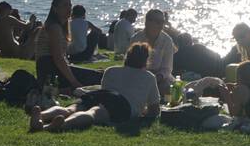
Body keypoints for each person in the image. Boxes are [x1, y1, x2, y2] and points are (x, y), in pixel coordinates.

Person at [29, 42, 162, 132]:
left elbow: (105, 91)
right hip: (121, 105)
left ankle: (40, 115)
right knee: (93, 112)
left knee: (71, 108)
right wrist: (142, 110)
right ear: (145, 60)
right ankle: (58, 125)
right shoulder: (149, 77)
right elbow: (154, 110)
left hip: (100, 94)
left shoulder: (111, 70)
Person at [34, 0, 101, 92]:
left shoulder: (60, 27)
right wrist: (74, 82)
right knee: (99, 77)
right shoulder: (54, 28)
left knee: (98, 75)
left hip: (53, 69)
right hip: (50, 70)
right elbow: (58, 58)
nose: (69, 8)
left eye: (70, 5)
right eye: (65, 5)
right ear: (55, 9)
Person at [130, 8, 176, 93]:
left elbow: (167, 68)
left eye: (163, 22)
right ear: (147, 22)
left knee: (169, 88)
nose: (162, 25)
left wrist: (156, 77)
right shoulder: (136, 38)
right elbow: (130, 64)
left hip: (160, 77)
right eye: (158, 22)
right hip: (139, 75)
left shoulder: (167, 41)